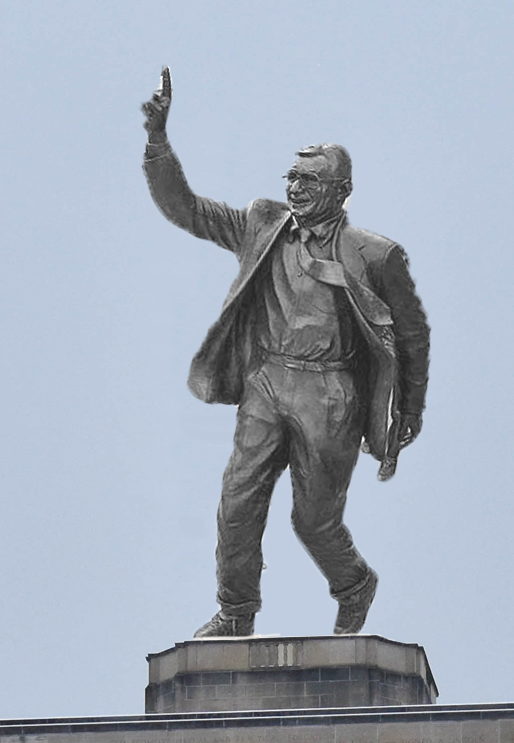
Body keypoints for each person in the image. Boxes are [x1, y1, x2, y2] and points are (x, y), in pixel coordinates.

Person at [141, 68, 430, 637]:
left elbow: (413, 336)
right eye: (292, 177)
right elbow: (187, 210)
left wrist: (409, 411)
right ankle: (235, 612)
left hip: (332, 394)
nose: (297, 188)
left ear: (341, 191)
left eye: (311, 180)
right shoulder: (262, 225)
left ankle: (354, 584)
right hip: (267, 382)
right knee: (237, 500)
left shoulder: (376, 254)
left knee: (314, 521)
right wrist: (158, 142)